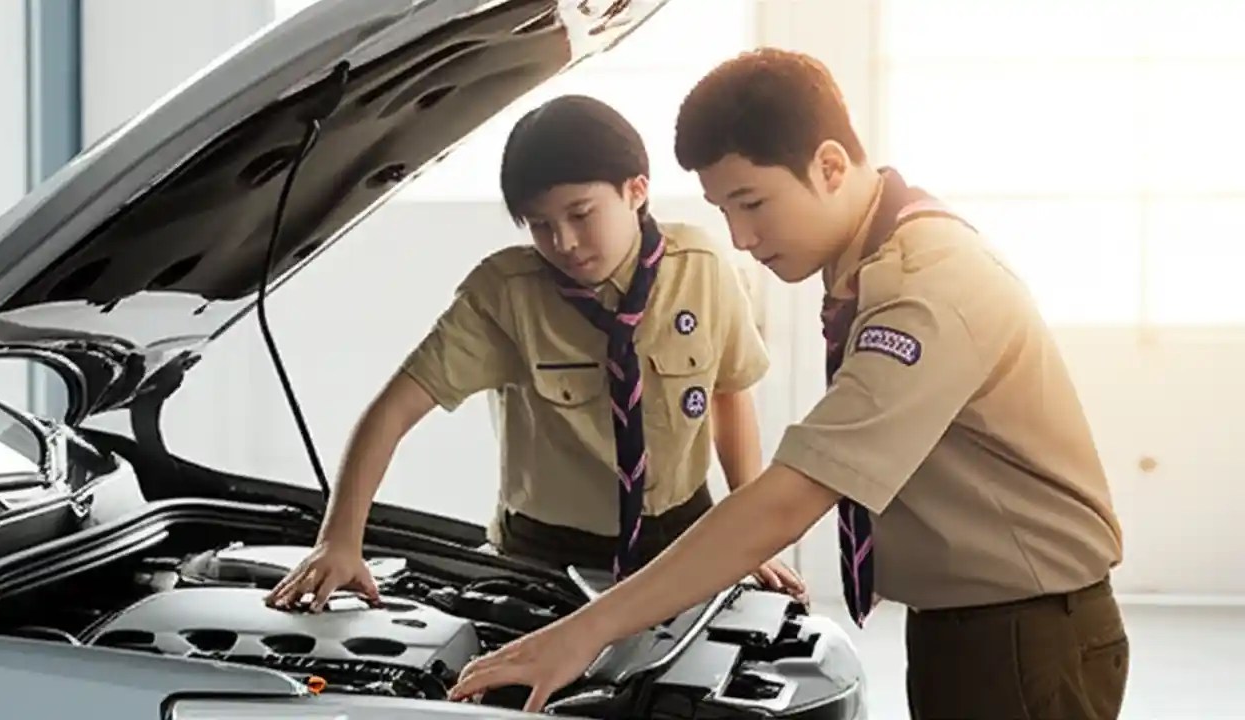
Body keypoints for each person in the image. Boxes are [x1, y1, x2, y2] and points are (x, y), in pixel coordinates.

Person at [448, 50, 1129, 720]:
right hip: (974, 622)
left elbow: (792, 497)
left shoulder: (927, 289)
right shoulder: (877, 258)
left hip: (1023, 635)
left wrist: (583, 634)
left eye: (751, 202)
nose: (741, 237)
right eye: (723, 209)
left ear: (829, 166)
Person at [264, 93, 806, 612]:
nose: (564, 243)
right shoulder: (505, 296)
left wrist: (748, 531)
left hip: (687, 537)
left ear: (636, 190)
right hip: (546, 557)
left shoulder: (701, 266)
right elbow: (391, 412)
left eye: (581, 214)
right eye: (541, 226)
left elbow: (728, 393)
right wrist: (340, 539)